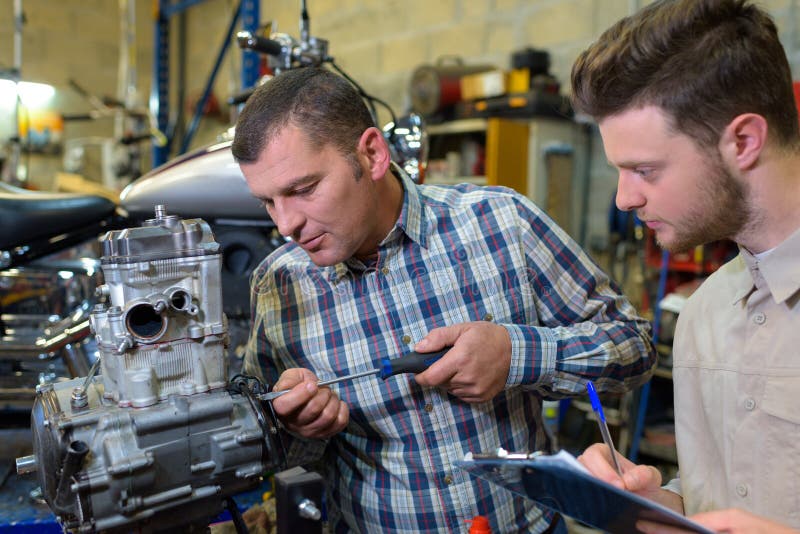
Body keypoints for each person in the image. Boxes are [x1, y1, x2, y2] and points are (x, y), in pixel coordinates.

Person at [231, 66, 656, 533]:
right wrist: (299, 428)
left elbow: (633, 346)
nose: (285, 224)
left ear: (371, 154)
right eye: (268, 202)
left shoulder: (500, 223)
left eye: (303, 189)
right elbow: (267, 451)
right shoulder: (279, 287)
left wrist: (518, 355)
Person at [570, 0, 800, 531]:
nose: (625, 198)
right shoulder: (705, 314)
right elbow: (720, 501)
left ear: (743, 141)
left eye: (645, 170)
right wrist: (660, 504)